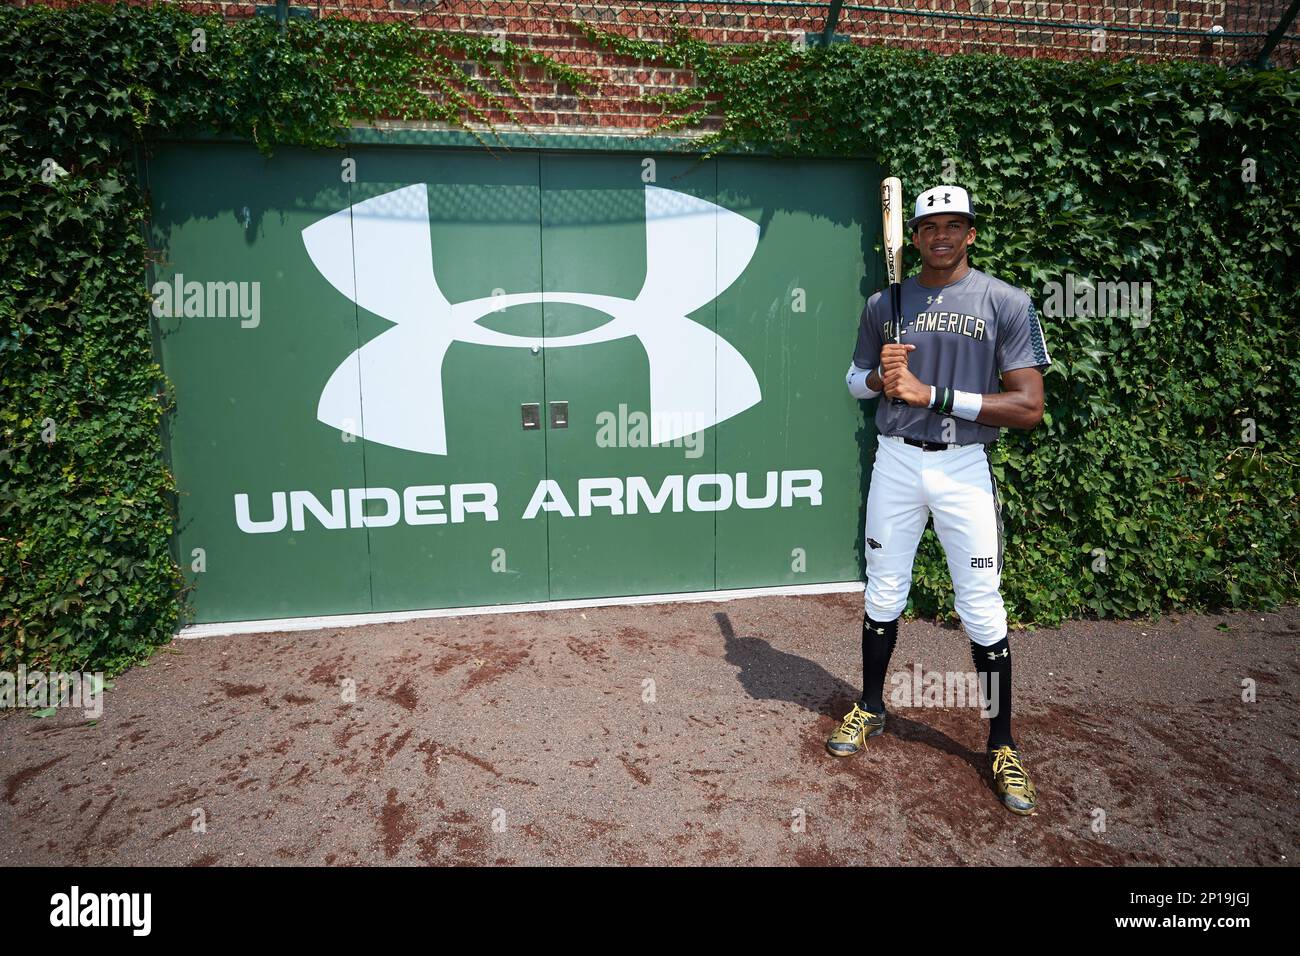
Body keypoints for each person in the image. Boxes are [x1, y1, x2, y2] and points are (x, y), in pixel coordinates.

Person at [829, 184, 1051, 815]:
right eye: (930, 226)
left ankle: (1002, 742)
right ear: (916, 236)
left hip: (963, 468)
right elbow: (854, 381)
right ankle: (870, 705)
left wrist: (935, 395)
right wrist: (880, 376)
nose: (942, 235)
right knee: (883, 590)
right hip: (898, 461)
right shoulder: (886, 301)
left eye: (955, 225)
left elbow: (1029, 407)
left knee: (980, 601)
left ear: (972, 234)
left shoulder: (1005, 302)